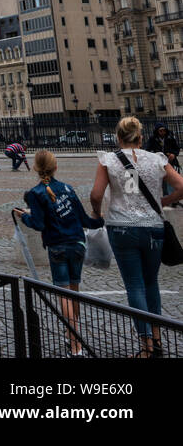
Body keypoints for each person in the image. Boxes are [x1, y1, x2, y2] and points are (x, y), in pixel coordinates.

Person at [91, 116, 183, 355]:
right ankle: (157, 337)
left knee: (134, 285)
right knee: (151, 283)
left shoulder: (109, 160)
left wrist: (96, 211)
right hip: (154, 227)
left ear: (119, 138)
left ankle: (146, 346)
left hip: (121, 227)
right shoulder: (157, 159)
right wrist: (163, 202)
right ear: (141, 138)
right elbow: (182, 186)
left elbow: (96, 194)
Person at [14, 149, 103, 356]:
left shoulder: (36, 193)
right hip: (78, 244)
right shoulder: (68, 188)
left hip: (57, 246)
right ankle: (72, 335)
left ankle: (74, 344)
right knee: (74, 290)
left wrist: (22, 217)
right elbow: (84, 220)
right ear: (56, 167)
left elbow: (37, 224)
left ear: (36, 168)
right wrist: (100, 220)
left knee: (63, 293)